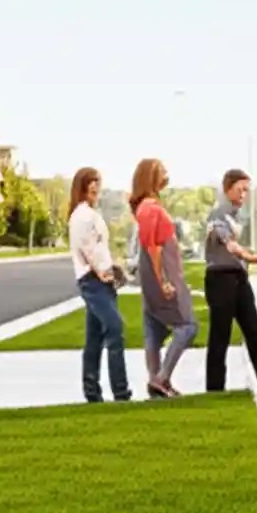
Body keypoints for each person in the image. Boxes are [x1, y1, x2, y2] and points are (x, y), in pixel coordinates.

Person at [203, 168, 257, 394]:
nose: (244, 195)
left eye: (247, 190)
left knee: (253, 328)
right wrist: (255, 258)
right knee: (221, 333)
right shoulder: (218, 214)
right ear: (228, 188)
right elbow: (230, 246)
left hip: (238, 277)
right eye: (240, 189)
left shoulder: (237, 215)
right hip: (220, 278)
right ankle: (215, 387)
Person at [130, 158, 198, 398]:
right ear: (151, 176)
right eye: (162, 171)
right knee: (188, 326)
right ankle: (161, 378)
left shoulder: (146, 207)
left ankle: (156, 382)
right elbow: (153, 248)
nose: (167, 174)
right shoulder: (150, 208)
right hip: (163, 276)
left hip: (155, 277)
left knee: (155, 328)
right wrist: (164, 281)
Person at [67, 167, 131, 403]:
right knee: (115, 329)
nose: (95, 186)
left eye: (97, 181)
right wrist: (101, 273)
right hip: (93, 280)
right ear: (81, 186)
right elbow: (87, 247)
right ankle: (121, 392)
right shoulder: (82, 215)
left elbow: (99, 247)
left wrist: (113, 269)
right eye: (90, 182)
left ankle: (92, 392)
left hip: (101, 279)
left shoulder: (89, 213)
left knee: (94, 337)